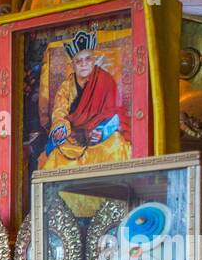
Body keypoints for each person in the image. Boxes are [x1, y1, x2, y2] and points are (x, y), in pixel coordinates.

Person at [38, 29, 132, 171]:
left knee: (116, 144)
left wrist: (103, 131)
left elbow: (117, 113)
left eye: (87, 59)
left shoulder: (105, 80)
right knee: (58, 154)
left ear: (94, 60)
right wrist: (61, 129)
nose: (84, 64)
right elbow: (59, 112)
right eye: (79, 61)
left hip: (101, 138)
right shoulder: (66, 87)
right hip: (75, 138)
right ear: (73, 65)